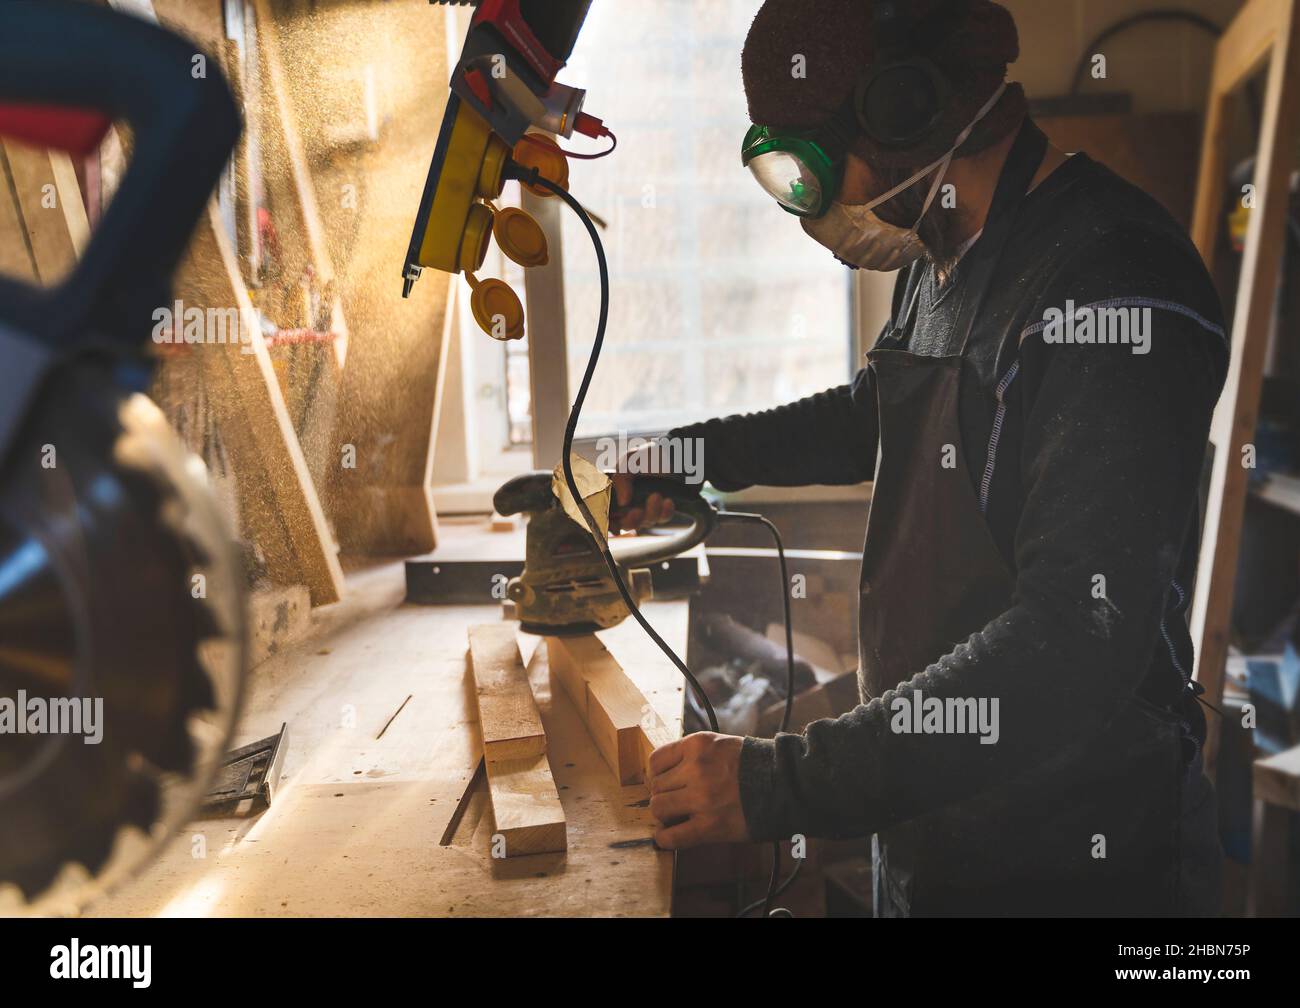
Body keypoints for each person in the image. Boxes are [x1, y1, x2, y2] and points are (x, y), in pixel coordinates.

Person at [614, 0, 1228, 916]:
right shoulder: (940, 249)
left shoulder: (1113, 284)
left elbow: (1073, 638)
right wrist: (695, 453)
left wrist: (775, 783)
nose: (806, 210)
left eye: (808, 168)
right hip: (932, 823)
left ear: (906, 109)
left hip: (1075, 865)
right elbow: (882, 413)